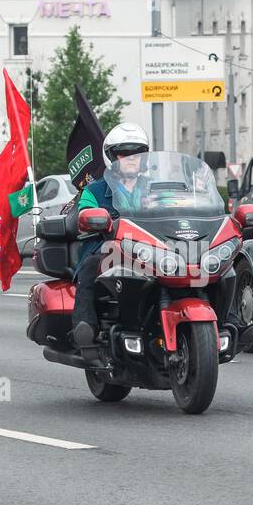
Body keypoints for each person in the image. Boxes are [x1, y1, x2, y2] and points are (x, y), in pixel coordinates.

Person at [70, 122, 150, 346]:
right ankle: (84, 325)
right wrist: (92, 218)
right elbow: (84, 213)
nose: (131, 159)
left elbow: (172, 206)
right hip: (107, 249)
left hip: (150, 250)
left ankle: (229, 323)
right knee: (89, 266)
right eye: (124, 154)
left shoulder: (154, 187)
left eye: (137, 154)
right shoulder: (94, 190)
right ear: (111, 157)